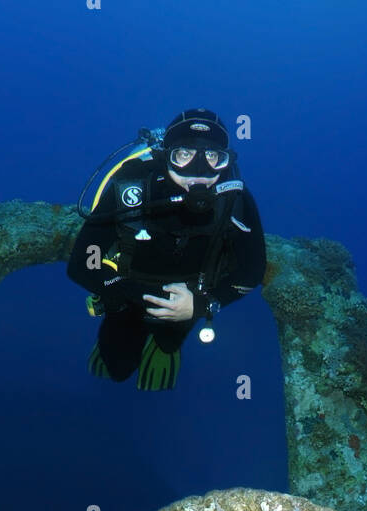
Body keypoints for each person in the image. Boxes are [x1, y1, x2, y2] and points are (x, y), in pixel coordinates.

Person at [67, 108, 267, 390]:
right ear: (165, 155)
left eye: (213, 157)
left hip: (191, 300)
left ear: (226, 161)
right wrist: (129, 292)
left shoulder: (235, 200)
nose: (199, 173)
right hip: (125, 300)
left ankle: (165, 346)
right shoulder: (132, 189)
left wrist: (203, 303)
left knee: (169, 342)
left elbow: (252, 269)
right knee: (117, 367)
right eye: (184, 155)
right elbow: (81, 264)